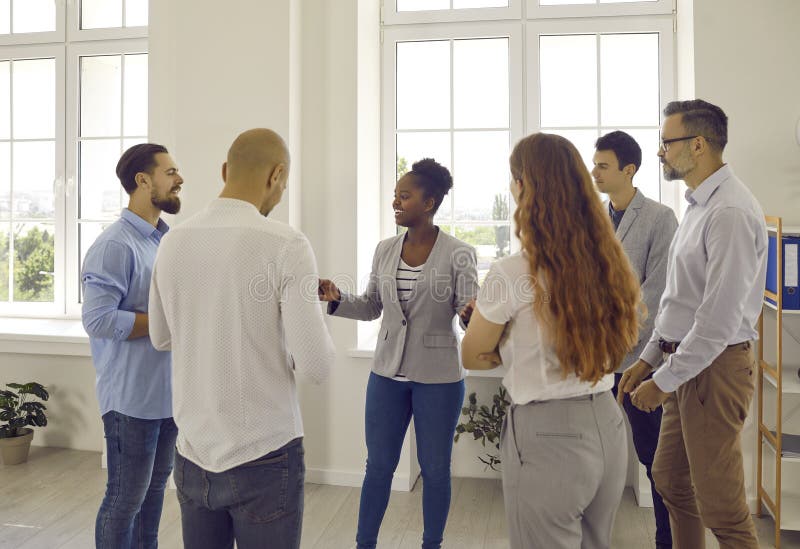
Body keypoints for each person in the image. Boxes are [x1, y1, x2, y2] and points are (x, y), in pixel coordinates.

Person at [148, 128, 335, 549]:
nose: (281, 195)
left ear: (224, 170)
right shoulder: (286, 243)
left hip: (194, 451)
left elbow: (161, 337)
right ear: (277, 175)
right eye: (283, 185)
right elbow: (317, 366)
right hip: (264, 455)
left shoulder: (173, 241)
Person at [461, 133, 642, 549]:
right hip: (608, 423)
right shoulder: (609, 263)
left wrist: (501, 341)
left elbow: (472, 353)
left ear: (524, 186)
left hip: (548, 432)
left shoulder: (512, 272)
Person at [620, 99, 768, 549]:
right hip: (684, 362)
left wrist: (662, 382)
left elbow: (718, 321)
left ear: (698, 144)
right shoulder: (699, 204)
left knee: (722, 505)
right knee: (670, 479)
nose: (661, 152)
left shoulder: (730, 213)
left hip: (715, 368)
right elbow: (678, 300)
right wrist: (647, 359)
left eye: (666, 142)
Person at [318, 158, 478, 549]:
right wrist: (338, 300)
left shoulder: (460, 253)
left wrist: (471, 315)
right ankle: (364, 544)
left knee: (436, 470)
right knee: (378, 468)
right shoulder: (385, 249)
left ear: (430, 202)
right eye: (394, 196)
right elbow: (373, 305)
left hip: (439, 379)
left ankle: (431, 544)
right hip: (386, 376)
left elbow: (466, 310)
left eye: (404, 196)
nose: (396, 202)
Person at [82, 143, 183, 548]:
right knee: (124, 500)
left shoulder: (164, 241)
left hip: (167, 396)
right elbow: (98, 319)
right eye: (170, 171)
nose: (179, 179)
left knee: (155, 493)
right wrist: (166, 323)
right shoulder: (115, 245)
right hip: (130, 401)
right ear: (143, 181)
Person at [592, 130, 677, 549]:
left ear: (629, 169)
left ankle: (666, 539)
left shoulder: (661, 219)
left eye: (603, 166)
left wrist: (618, 345)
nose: (595, 173)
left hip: (641, 363)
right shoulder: (591, 219)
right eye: (594, 164)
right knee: (593, 459)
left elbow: (657, 294)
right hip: (592, 364)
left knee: (654, 461)